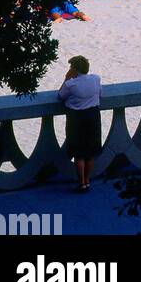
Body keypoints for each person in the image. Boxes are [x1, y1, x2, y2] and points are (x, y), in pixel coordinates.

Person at [58, 56, 102, 191]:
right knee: (90, 152)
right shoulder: (96, 79)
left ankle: (81, 182)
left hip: (76, 119)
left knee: (79, 153)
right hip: (93, 116)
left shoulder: (71, 84)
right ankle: (88, 180)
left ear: (74, 70)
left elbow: (60, 96)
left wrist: (66, 78)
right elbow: (101, 94)